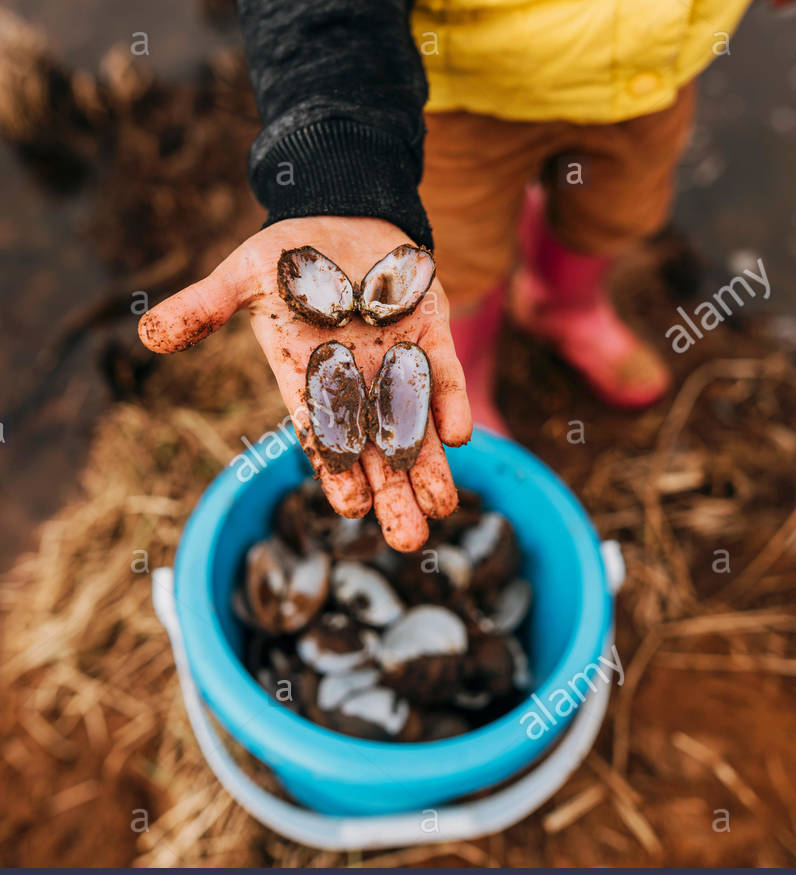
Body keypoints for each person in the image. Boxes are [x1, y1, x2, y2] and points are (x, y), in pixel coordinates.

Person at [139, 0, 756, 552]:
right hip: (462, 90)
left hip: (659, 69)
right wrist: (339, 174)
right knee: (459, 266)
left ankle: (561, 305)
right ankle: (475, 374)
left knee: (609, 219)